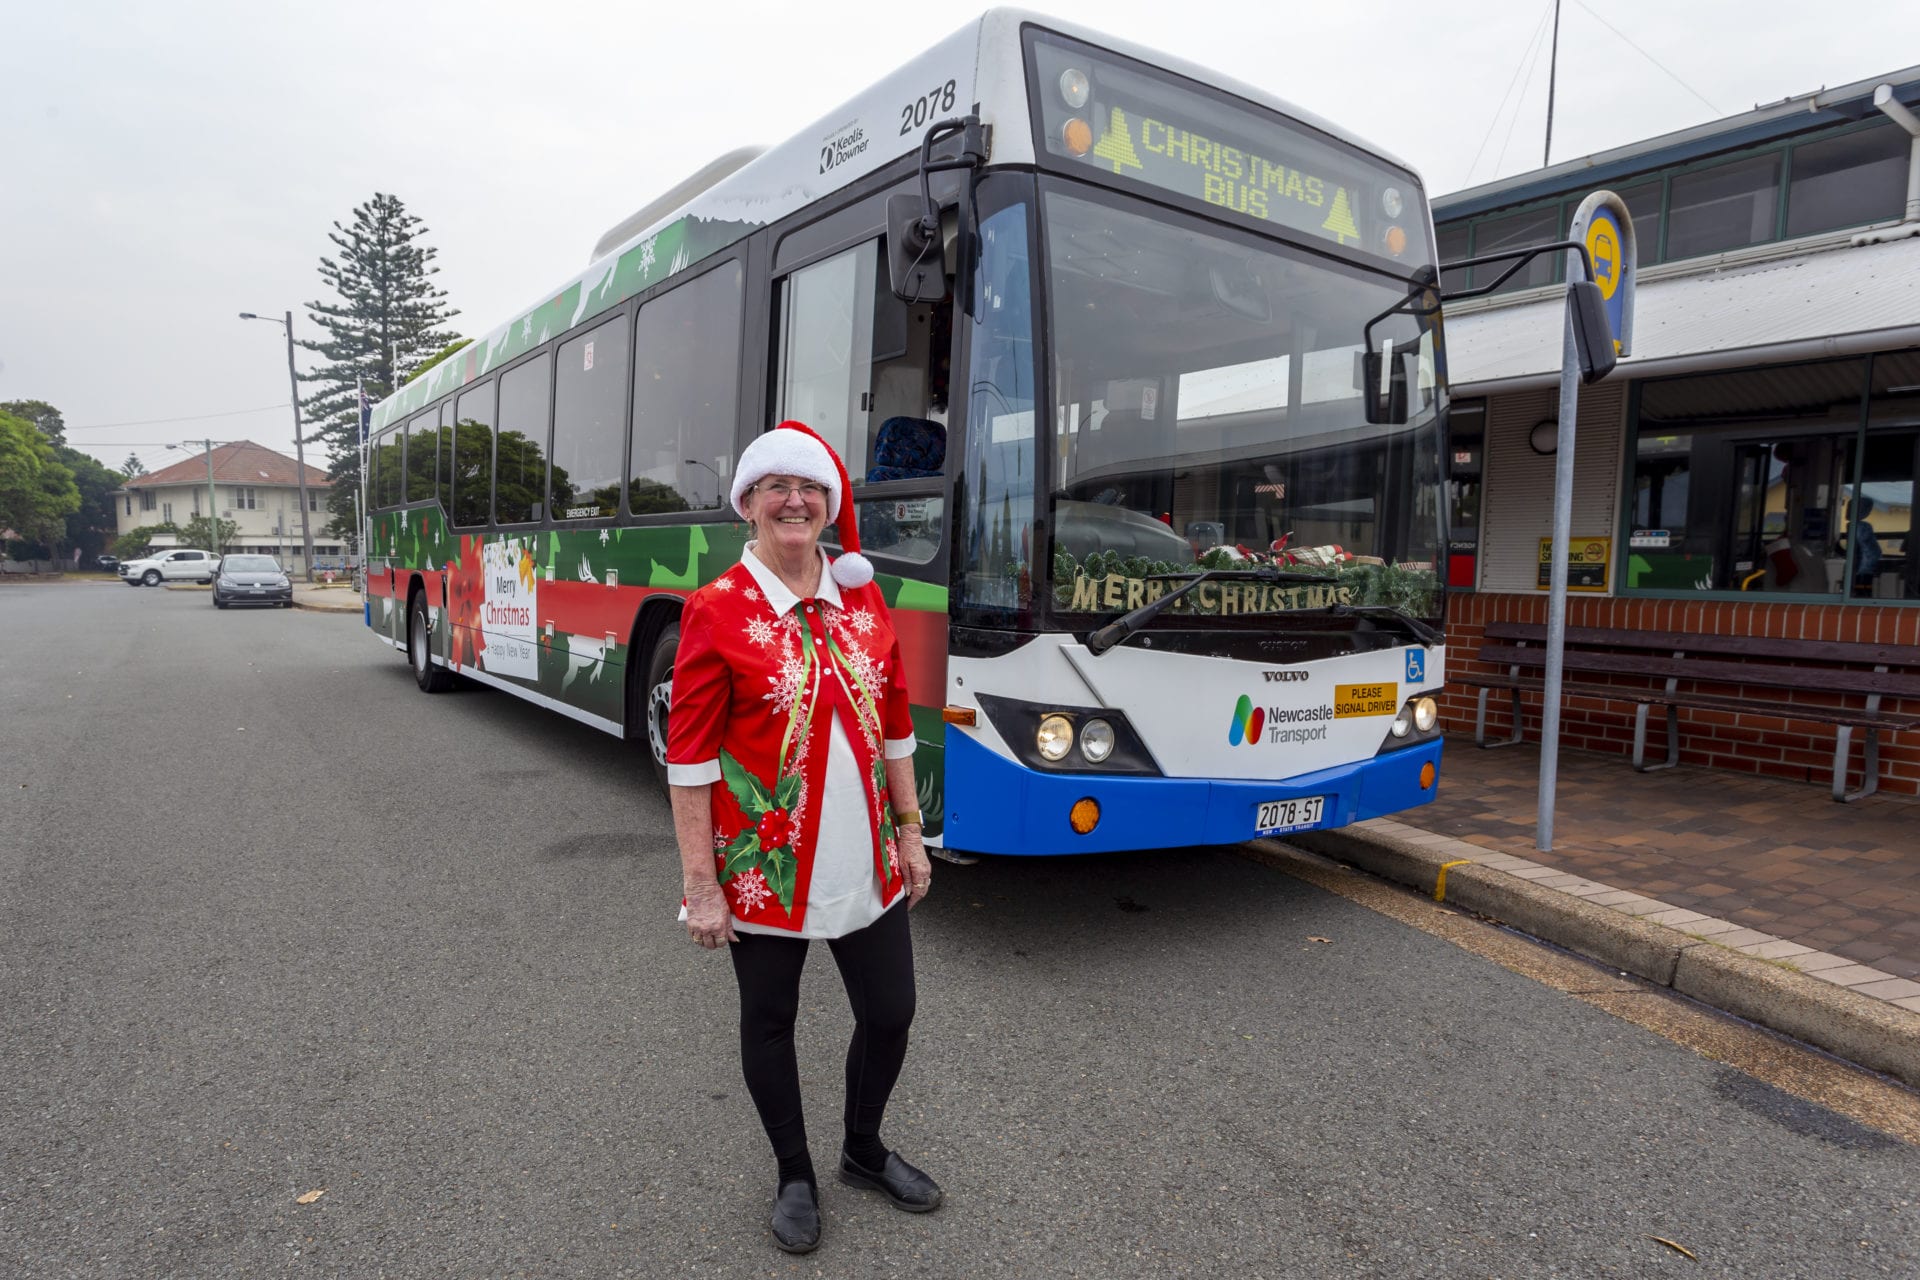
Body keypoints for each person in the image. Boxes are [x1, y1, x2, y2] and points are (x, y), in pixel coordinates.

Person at [666, 420, 940, 1254]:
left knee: (891, 1011)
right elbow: (690, 760)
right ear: (749, 504)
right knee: (771, 1018)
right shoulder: (717, 610)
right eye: (777, 488)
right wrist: (703, 885)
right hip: (766, 867)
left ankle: (862, 1147)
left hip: (866, 858)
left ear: (829, 506)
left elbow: (894, 722)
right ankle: (795, 1171)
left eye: (811, 488)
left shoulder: (860, 596)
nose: (795, 500)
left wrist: (910, 831)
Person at [1848, 494, 1883, 597]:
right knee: (1864, 579)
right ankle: (1863, 593)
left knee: (1865, 579)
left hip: (1867, 558)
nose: (1870, 512)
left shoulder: (1859, 526)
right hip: (1866, 558)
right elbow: (1862, 541)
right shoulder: (1863, 526)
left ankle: (1863, 592)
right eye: (1868, 509)